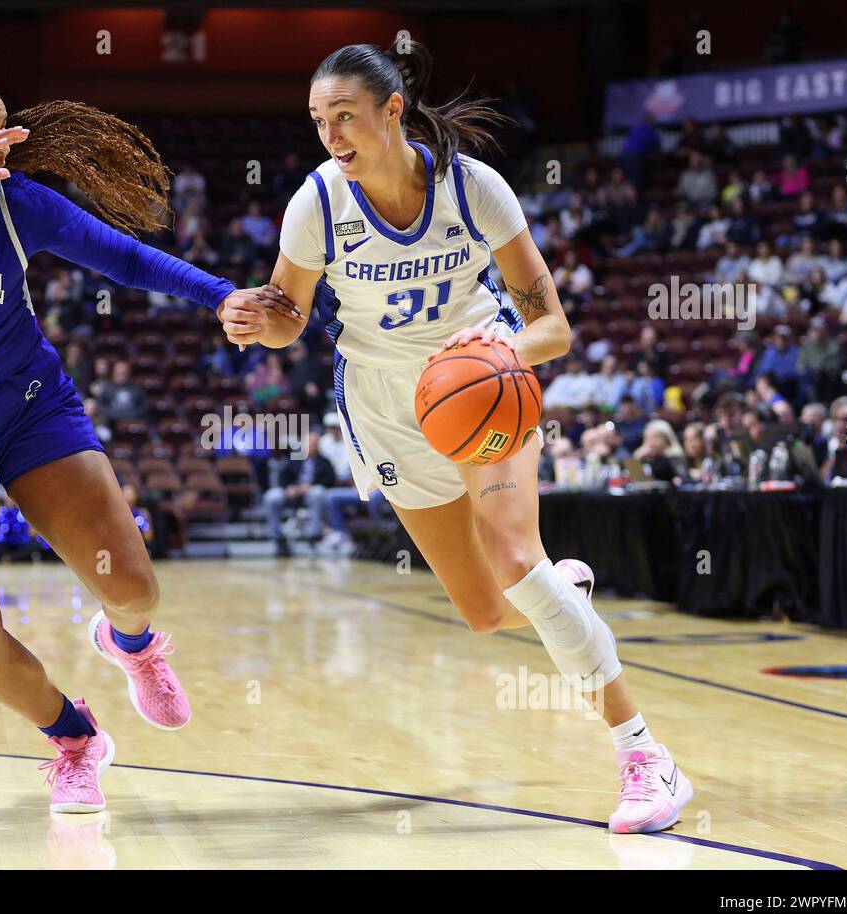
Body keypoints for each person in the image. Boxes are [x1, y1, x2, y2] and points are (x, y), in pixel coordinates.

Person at [233, 40, 692, 833]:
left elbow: (553, 324)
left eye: (346, 115)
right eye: (319, 121)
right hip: (384, 408)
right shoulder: (316, 203)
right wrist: (253, 319)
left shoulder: (474, 188)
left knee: (516, 559)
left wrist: (496, 354)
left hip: (486, 387)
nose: (333, 135)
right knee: (486, 612)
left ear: (392, 110)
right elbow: (290, 320)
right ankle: (561, 596)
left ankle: (645, 755)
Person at [0, 70, 296, 814]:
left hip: (25, 412)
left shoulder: (16, 206)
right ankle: (76, 740)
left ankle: (130, 644)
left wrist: (220, 295)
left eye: (4, 128)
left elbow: (123, 257)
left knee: (133, 588)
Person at [261, 431, 336, 556]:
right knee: (271, 497)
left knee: (318, 492)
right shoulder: (294, 458)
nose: (312, 446)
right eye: (310, 443)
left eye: (315, 444)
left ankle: (314, 534)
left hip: (310, 494)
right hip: (293, 493)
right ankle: (277, 537)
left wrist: (310, 487)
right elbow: (282, 477)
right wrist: (288, 488)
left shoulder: (324, 462)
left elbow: (329, 481)